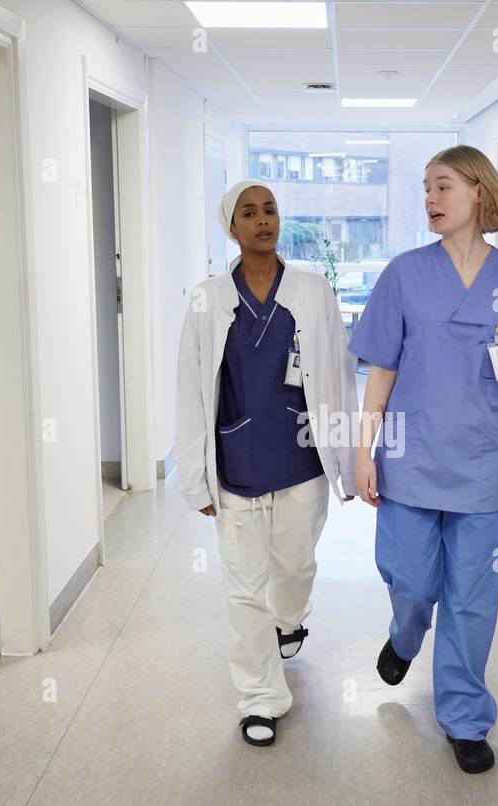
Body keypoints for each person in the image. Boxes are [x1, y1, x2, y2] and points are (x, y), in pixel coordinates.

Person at [348, 146, 498, 773]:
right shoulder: (405, 274)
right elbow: (380, 367)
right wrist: (364, 448)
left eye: (442, 186)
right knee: (410, 580)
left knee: (473, 597)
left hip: (483, 464)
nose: (431, 200)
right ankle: (405, 635)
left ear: (478, 193)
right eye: (425, 188)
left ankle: (465, 717)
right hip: (409, 459)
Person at [176, 179, 357, 746]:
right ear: (231, 227)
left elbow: (338, 377)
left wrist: (349, 458)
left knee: (296, 568)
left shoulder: (312, 289)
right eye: (249, 213)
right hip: (237, 464)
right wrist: (194, 477)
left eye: (270, 210)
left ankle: (290, 617)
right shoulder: (208, 297)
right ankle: (260, 697)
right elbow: (190, 388)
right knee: (244, 589)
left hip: (301, 459)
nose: (262, 220)